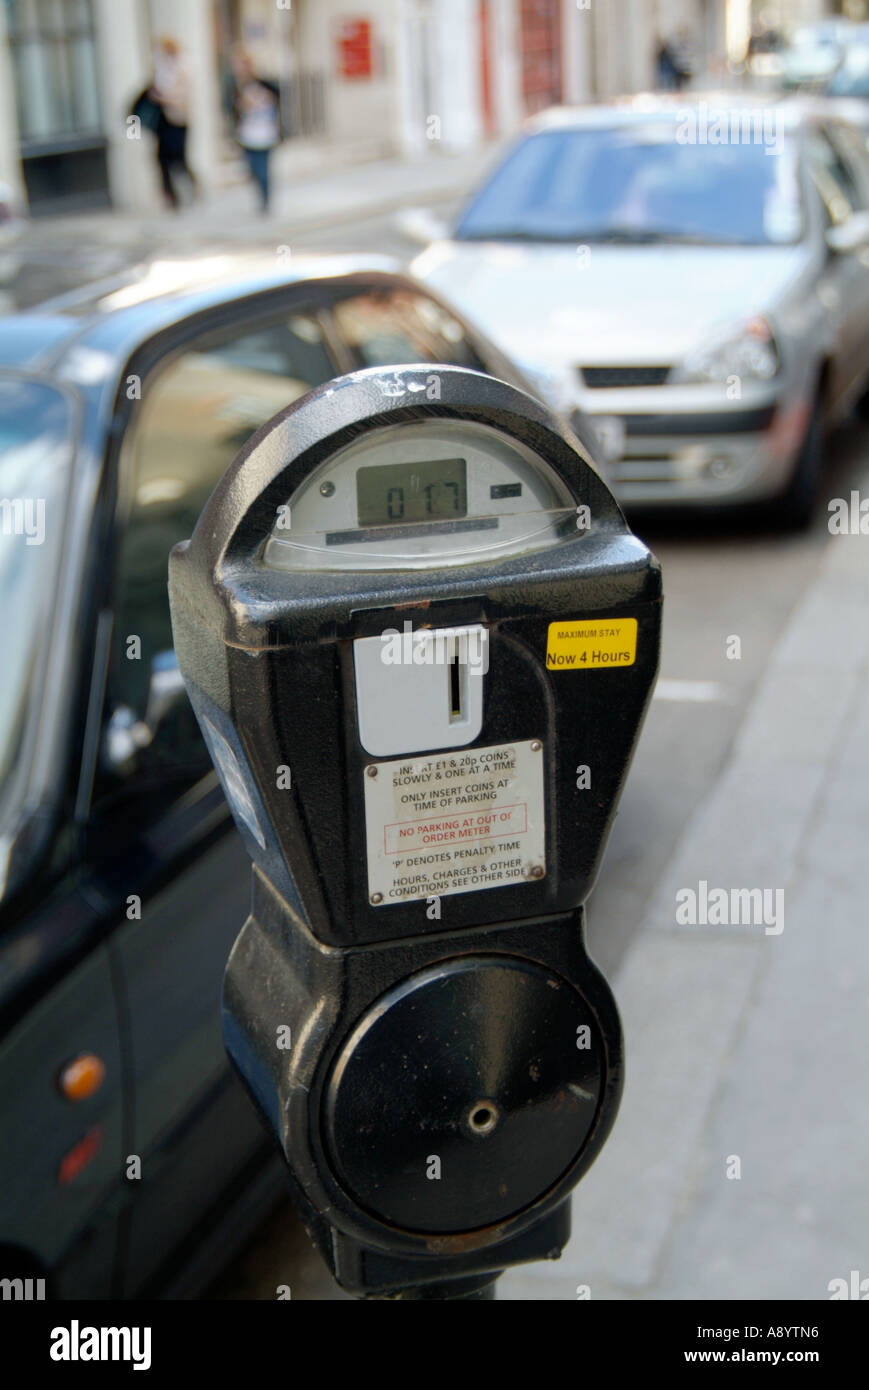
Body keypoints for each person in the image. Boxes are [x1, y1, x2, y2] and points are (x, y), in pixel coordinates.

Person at [230, 50, 281, 215]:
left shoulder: (264, 84)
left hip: (265, 133)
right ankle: (262, 197)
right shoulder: (236, 87)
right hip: (246, 134)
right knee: (251, 169)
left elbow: (278, 98)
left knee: (263, 170)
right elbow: (231, 108)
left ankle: (266, 201)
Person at [150, 38, 196, 210]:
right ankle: (170, 196)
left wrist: (163, 98)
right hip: (162, 121)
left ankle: (192, 187)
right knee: (162, 159)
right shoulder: (159, 70)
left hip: (178, 119)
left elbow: (184, 97)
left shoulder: (183, 68)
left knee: (179, 158)